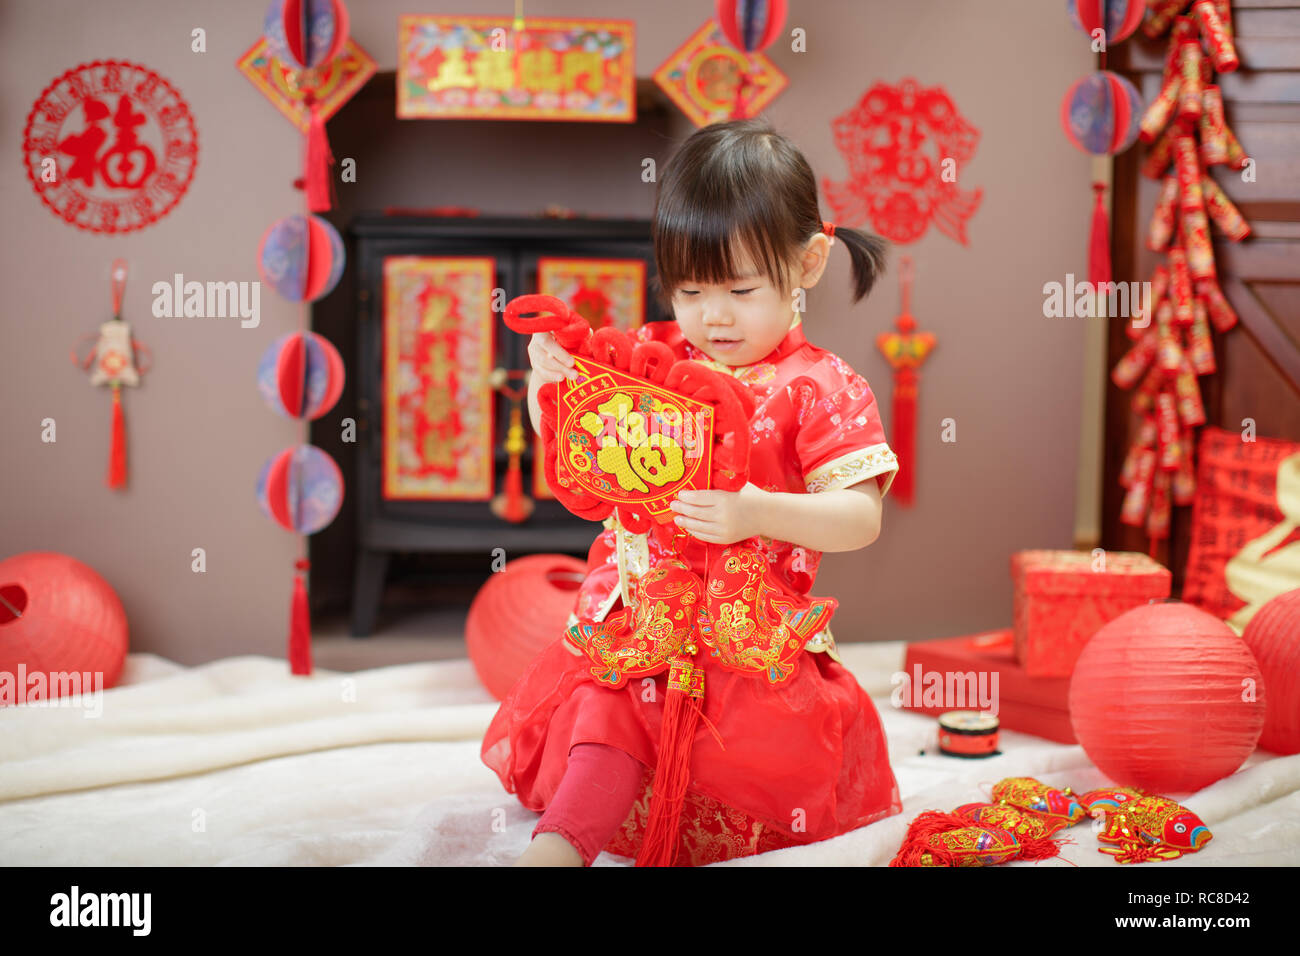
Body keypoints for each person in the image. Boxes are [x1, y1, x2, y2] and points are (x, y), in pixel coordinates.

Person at [481, 117, 903, 867]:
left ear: (806, 265)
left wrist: (754, 512)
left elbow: (859, 517)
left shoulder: (822, 388)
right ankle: (558, 849)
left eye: (741, 289)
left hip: (746, 640)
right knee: (608, 708)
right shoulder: (653, 357)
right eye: (690, 290)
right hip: (638, 618)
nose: (713, 315)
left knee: (724, 740)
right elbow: (590, 460)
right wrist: (551, 397)